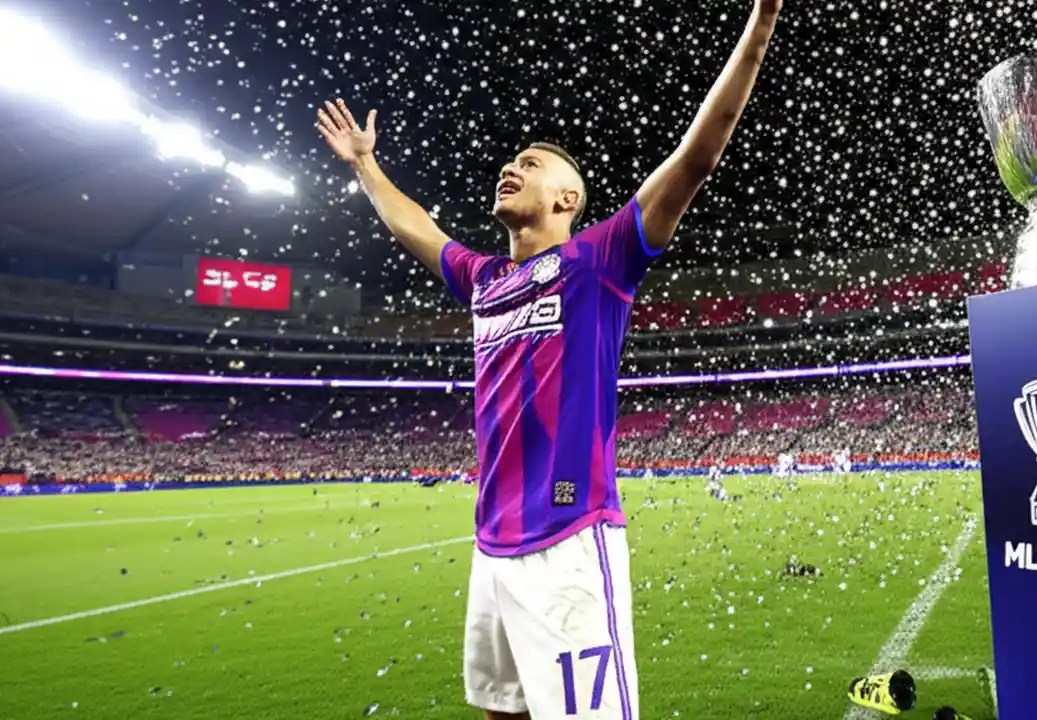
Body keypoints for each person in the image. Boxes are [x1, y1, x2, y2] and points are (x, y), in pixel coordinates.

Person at [316, 2, 782, 717]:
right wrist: (365, 164)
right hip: (491, 541)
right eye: (511, 162)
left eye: (529, 166)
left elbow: (697, 157)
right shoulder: (484, 280)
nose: (511, 167)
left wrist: (761, 22)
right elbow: (418, 227)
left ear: (567, 198)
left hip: (568, 535)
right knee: (501, 711)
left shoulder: (599, 260)